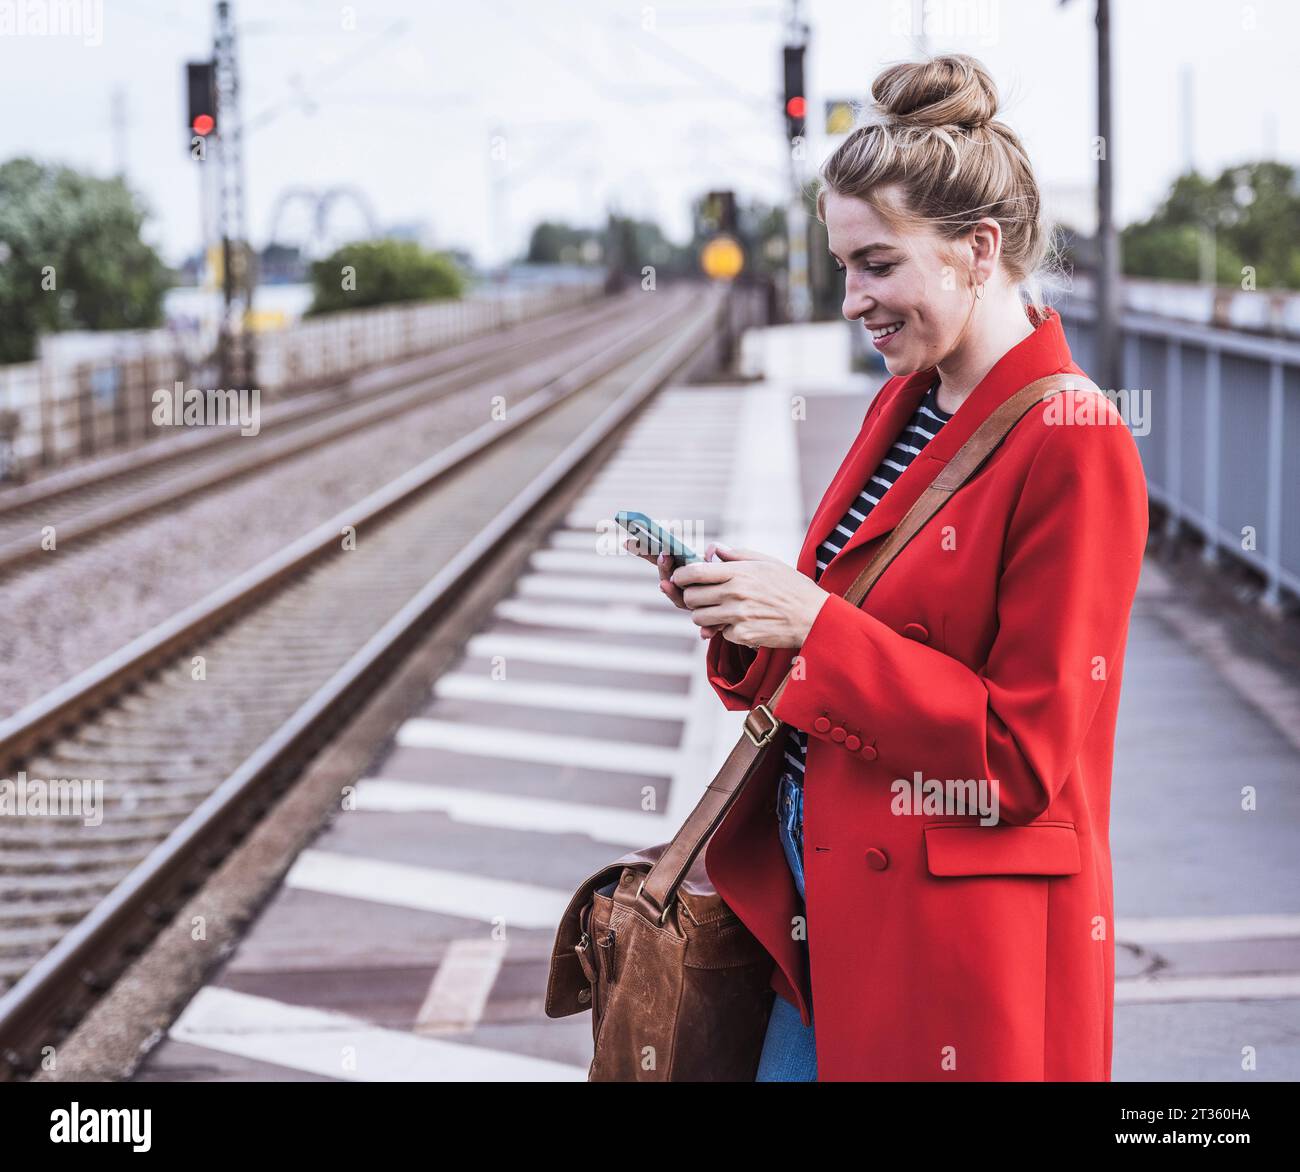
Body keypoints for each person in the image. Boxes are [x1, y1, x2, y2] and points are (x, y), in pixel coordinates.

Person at [626, 53, 1148, 1081]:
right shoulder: (906, 404)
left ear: (976, 249)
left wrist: (813, 625)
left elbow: (1019, 757)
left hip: (951, 961)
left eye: (876, 264)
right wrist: (750, 614)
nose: (852, 299)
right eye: (842, 266)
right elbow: (848, 652)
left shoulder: (1073, 437)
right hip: (823, 934)